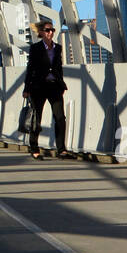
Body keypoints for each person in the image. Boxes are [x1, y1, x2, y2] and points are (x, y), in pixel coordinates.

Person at [23, 21, 73, 159]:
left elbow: (58, 67)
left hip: (54, 86)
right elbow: (30, 69)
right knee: (36, 118)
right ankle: (34, 149)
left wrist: (61, 84)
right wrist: (26, 89)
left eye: (52, 30)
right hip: (38, 87)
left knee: (60, 118)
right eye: (47, 30)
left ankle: (61, 150)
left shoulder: (58, 48)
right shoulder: (35, 48)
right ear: (41, 33)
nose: (50, 33)